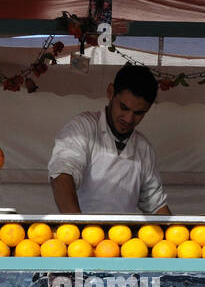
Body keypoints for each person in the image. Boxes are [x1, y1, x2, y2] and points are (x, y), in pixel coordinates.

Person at [48, 64, 172, 215]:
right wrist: (78, 226)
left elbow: (155, 203)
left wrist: (178, 232)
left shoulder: (143, 148)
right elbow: (62, 174)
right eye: (124, 107)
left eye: (138, 113)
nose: (128, 119)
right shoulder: (82, 128)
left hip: (124, 237)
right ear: (110, 92)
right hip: (79, 235)